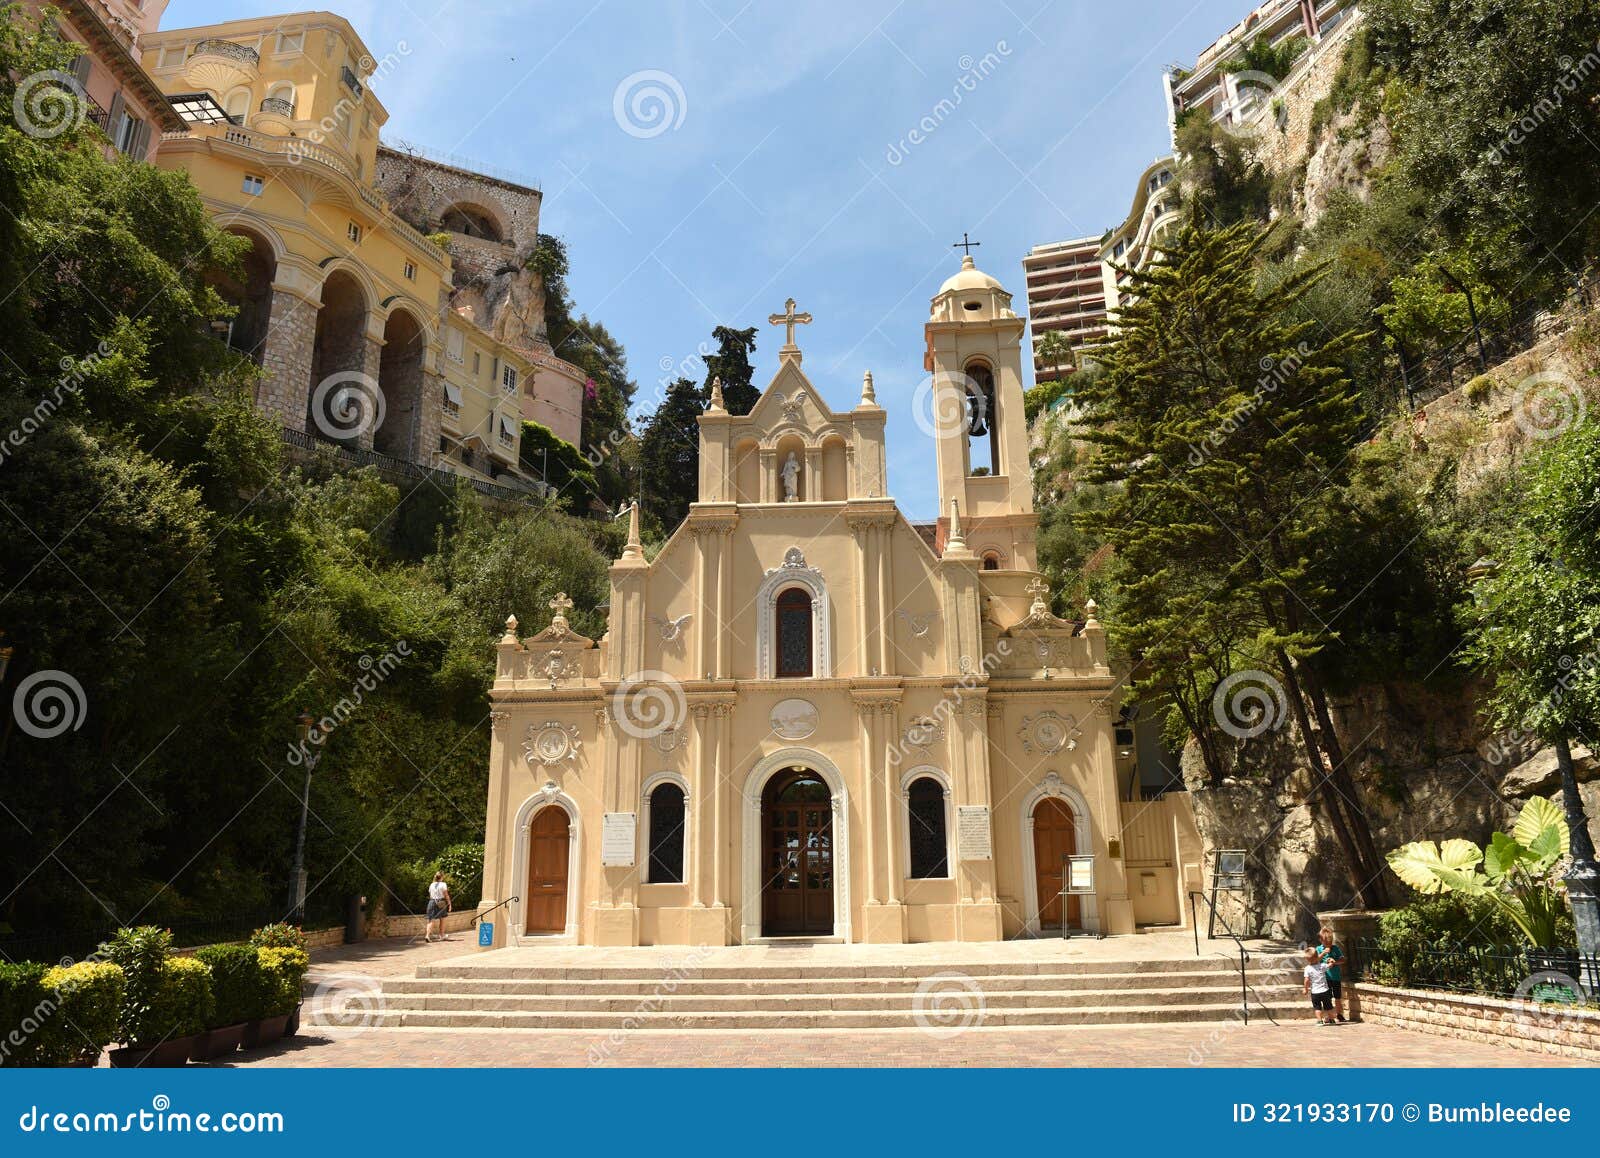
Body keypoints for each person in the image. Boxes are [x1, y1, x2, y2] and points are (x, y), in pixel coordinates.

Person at [1317, 926, 1347, 1023]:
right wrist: (1323, 953)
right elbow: (1315, 961)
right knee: (1327, 998)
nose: (1328, 945)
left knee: (1338, 997)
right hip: (1325, 978)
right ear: (1321, 940)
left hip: (1336, 977)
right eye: (1326, 943)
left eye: (1330, 942)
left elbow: (1342, 959)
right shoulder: (1318, 949)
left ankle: (1339, 1014)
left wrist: (1335, 962)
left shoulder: (1335, 948)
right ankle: (1328, 1016)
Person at [1303, 947, 1335, 1026]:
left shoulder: (1307, 969)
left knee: (1317, 1008)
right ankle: (1332, 1020)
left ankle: (1320, 1021)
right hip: (1325, 991)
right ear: (1317, 957)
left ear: (1307, 959)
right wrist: (1331, 961)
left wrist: (1305, 989)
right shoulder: (1322, 966)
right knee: (1328, 1006)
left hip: (1315, 992)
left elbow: (1306, 980)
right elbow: (1330, 965)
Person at [425, 871, 452, 943]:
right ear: (442, 877)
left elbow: (430, 895)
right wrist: (449, 904)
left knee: (431, 920)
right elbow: (446, 895)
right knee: (443, 919)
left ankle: (427, 935)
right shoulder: (443, 884)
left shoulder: (431, 885)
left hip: (432, 902)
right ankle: (442, 935)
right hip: (441, 902)